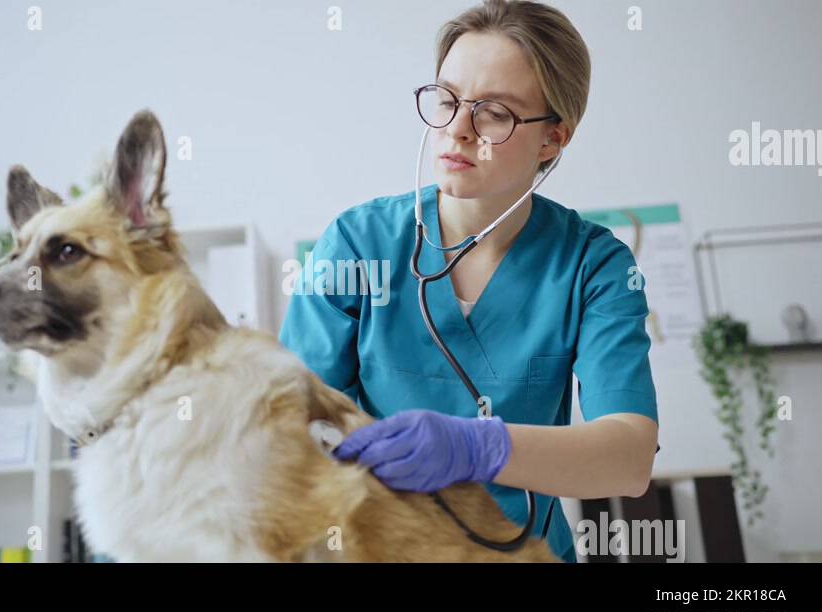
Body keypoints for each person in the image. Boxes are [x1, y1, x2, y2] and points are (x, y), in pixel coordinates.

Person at [279, 0, 658, 563]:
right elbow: (287, 427)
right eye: (447, 99)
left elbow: (627, 460)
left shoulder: (594, 267)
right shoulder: (358, 246)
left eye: (494, 113)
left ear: (553, 139)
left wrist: (479, 447)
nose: (456, 130)